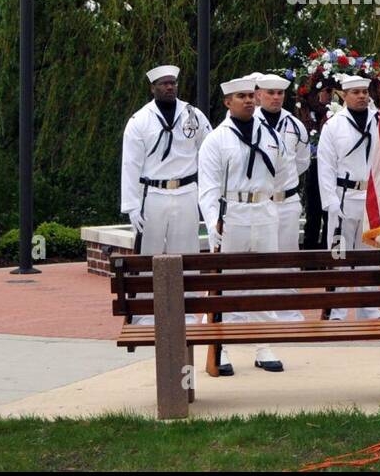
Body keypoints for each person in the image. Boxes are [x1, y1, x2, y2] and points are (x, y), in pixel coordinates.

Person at [198, 75, 296, 373]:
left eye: (251, 96)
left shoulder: (270, 135)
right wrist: (213, 221)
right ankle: (220, 345)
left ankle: (263, 344)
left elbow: (281, 172)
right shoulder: (217, 139)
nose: (249, 101)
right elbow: (209, 186)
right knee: (224, 282)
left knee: (264, 279)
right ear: (228, 102)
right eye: (241, 97)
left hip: (263, 210)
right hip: (232, 214)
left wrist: (264, 199)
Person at [120, 64, 212, 326]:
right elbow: (130, 164)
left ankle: (187, 310)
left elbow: (208, 152)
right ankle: (145, 313)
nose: (169, 87)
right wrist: (131, 206)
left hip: (186, 190)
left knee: (186, 252)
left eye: (172, 83)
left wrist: (207, 194)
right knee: (150, 253)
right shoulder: (140, 120)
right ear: (153, 88)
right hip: (154, 193)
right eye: (163, 84)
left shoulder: (193, 115)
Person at [316, 73, 380, 320]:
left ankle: (369, 307)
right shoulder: (334, 125)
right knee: (339, 255)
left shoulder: (378, 121)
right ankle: (337, 308)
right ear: (344, 96)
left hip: (371, 197)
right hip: (343, 195)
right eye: (356, 93)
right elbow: (325, 165)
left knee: (369, 255)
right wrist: (330, 202)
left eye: (365, 92)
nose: (362, 97)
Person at [255, 72, 310, 321]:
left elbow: (301, 162)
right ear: (259, 95)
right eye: (270, 93)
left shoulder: (294, 125)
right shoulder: (249, 122)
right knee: (262, 257)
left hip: (287, 200)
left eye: (280, 93)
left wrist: (284, 185)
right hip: (261, 201)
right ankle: (263, 308)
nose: (276, 98)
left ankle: (289, 308)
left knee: (288, 256)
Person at [296, 83, 334, 250]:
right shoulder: (308, 111)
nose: (328, 95)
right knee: (313, 213)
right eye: (325, 91)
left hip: (332, 169)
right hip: (314, 166)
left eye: (331, 92)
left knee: (330, 215)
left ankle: (328, 252)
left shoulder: (335, 112)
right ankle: (310, 256)